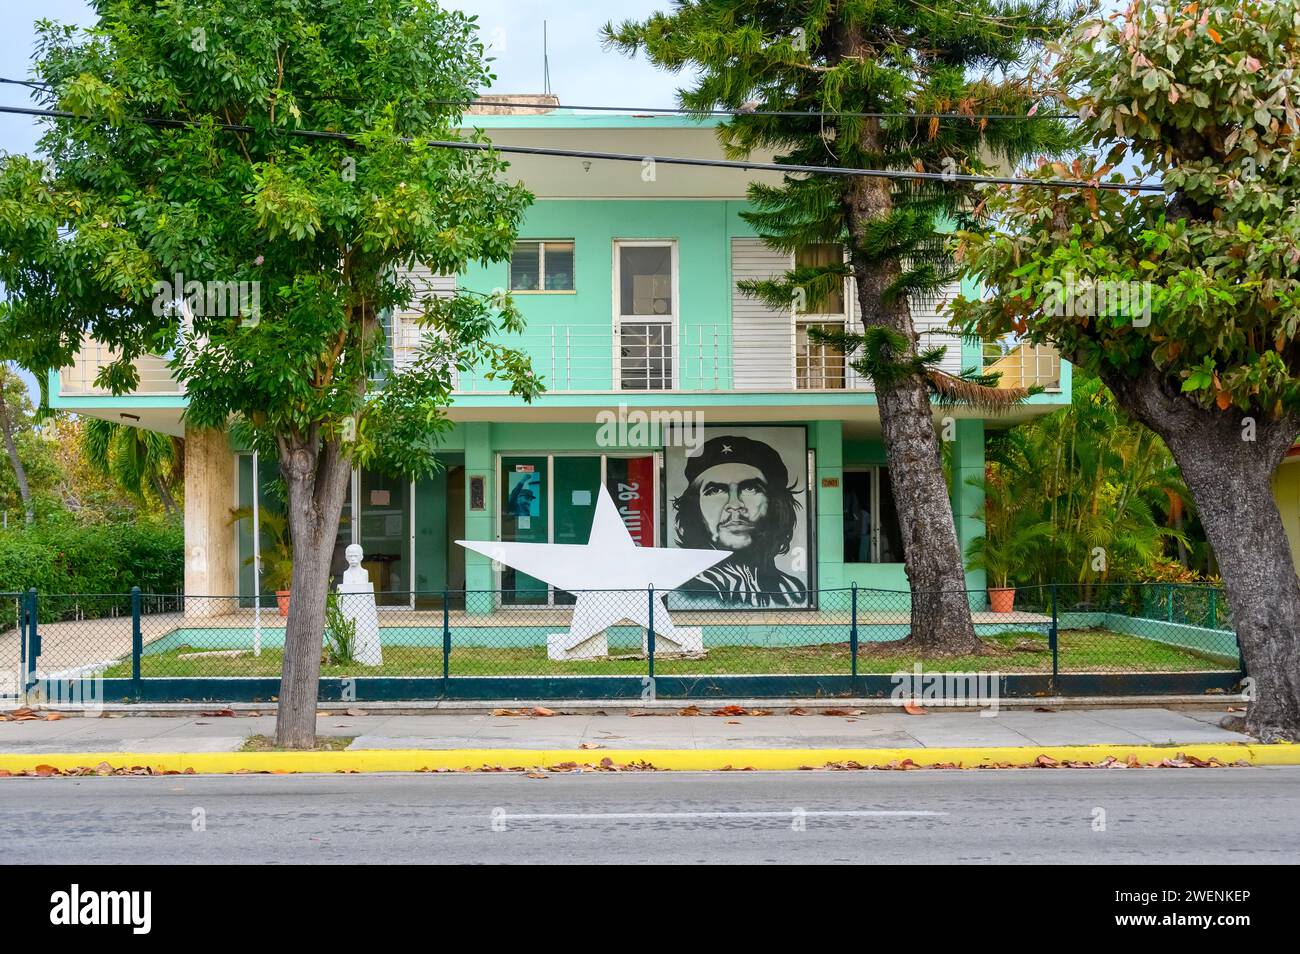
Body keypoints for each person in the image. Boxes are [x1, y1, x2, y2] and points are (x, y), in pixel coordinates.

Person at [673, 435, 807, 606]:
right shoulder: (687, 591)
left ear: (775, 504)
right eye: (715, 491)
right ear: (694, 509)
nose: (734, 505)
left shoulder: (791, 590)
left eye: (750, 488)